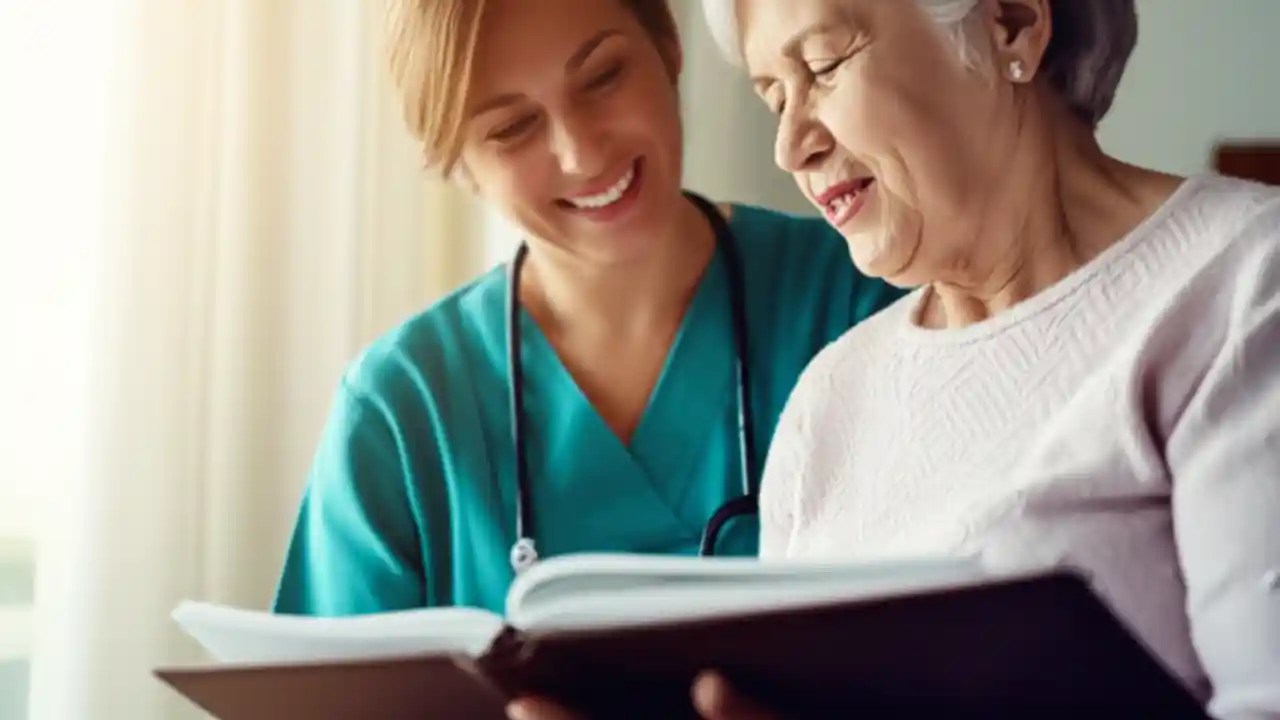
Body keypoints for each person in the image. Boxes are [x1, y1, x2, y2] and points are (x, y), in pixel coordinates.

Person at [509, 0, 1280, 718]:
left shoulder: (1244, 285)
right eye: (775, 96)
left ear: (1010, 23)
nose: (791, 146)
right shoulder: (830, 401)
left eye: (825, 65)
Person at [270, 0, 901, 618]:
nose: (581, 153)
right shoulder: (402, 415)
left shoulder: (862, 298)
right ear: (461, 166)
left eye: (603, 77)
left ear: (668, 49)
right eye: (512, 128)